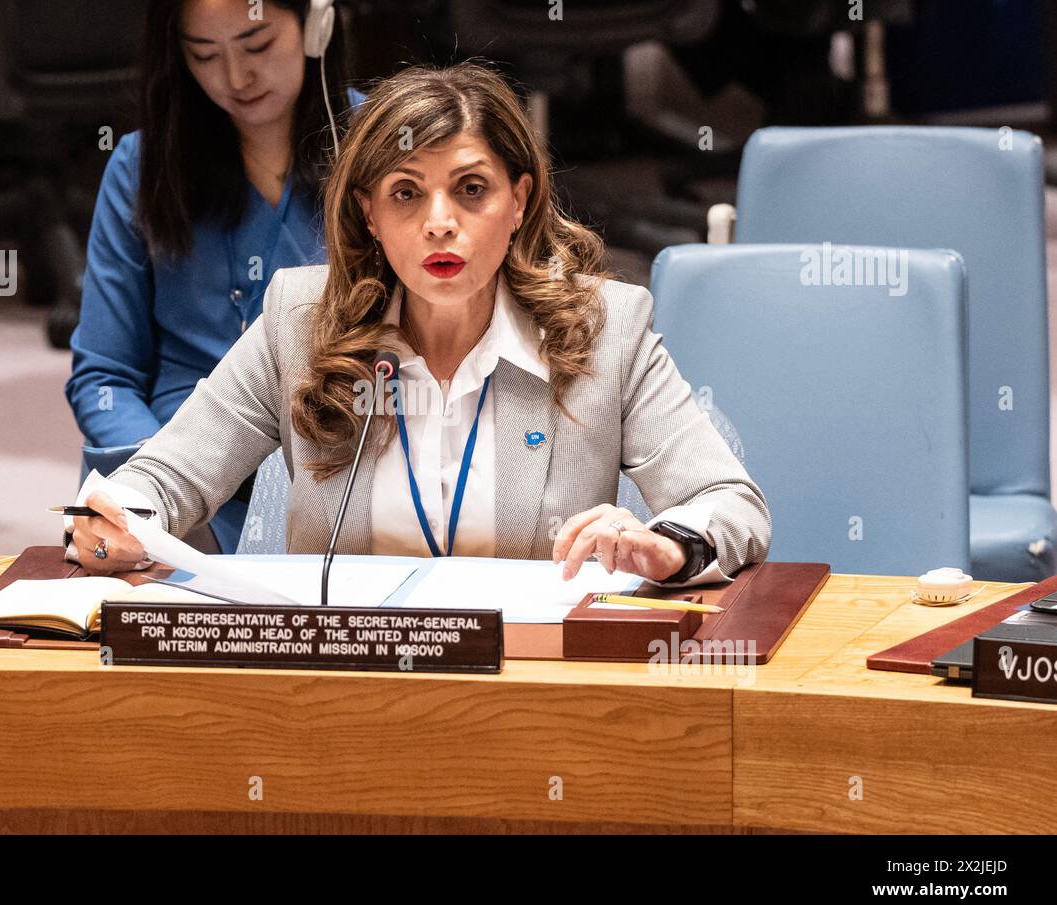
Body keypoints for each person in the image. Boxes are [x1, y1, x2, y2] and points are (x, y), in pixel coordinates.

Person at [72, 62, 771, 587]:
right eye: (406, 193)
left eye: (472, 190)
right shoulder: (300, 322)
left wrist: (670, 543)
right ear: (370, 215)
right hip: (344, 687)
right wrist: (120, 521)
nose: (440, 221)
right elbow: (161, 480)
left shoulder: (606, 330)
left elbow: (730, 503)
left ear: (520, 199)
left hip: (534, 690)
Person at [65, 0, 358, 556]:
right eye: (204, 56)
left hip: (337, 471)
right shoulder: (142, 167)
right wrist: (161, 483)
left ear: (315, 23)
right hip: (173, 467)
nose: (236, 78)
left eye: (257, 45)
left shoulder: (385, 148)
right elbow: (105, 377)